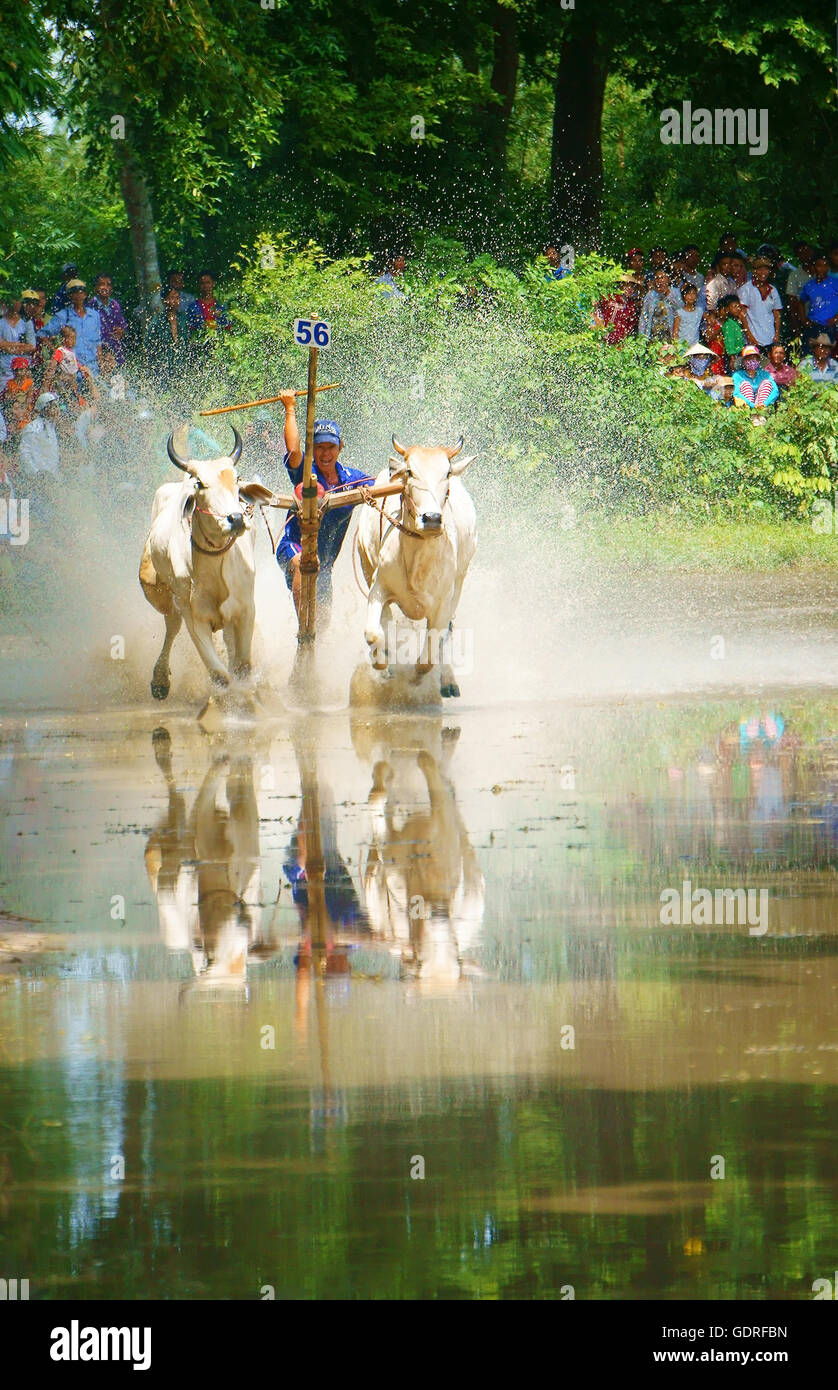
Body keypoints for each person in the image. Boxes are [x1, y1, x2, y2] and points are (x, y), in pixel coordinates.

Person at [274, 392, 374, 623]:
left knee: (325, 625)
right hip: (293, 549)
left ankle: (313, 643)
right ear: (312, 450)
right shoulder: (305, 471)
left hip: (325, 568)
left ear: (340, 448)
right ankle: (304, 632)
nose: (325, 453)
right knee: (303, 564)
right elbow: (293, 451)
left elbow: (380, 486)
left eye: (331, 447)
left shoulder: (352, 478)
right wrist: (290, 407)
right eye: (319, 447)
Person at [42, 278, 102, 377]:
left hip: (93, 368)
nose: (78, 295)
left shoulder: (94, 315)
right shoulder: (63, 315)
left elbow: (98, 342)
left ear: (85, 294)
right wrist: (57, 352)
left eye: (80, 291)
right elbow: (42, 334)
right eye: (74, 292)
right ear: (70, 296)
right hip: (71, 369)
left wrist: (101, 363)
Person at [142, 288, 194, 379]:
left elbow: (188, 341)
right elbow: (148, 345)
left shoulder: (184, 319)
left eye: (177, 298)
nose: (175, 301)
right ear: (164, 301)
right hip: (162, 367)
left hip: (181, 365)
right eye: (172, 298)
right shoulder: (157, 321)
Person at [737, 257, 782, 353]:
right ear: (754, 271)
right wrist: (749, 335)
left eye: (766, 269)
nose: (763, 272)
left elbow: (777, 315)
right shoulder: (746, 289)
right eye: (760, 269)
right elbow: (742, 315)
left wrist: (777, 334)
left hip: (770, 337)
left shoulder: (773, 290)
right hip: (753, 338)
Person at [797, 250, 838, 349]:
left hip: (831, 326)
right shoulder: (809, 285)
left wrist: (836, 317)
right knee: (810, 355)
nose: (822, 269)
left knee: (829, 356)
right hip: (814, 325)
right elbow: (801, 302)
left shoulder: (835, 283)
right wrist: (804, 320)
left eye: (825, 266)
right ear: (814, 267)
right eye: (819, 265)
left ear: (828, 267)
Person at [89, 273, 128, 367]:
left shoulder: (114, 305)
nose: (105, 287)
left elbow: (123, 325)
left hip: (116, 352)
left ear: (112, 288)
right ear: (95, 287)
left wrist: (121, 331)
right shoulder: (91, 306)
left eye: (108, 284)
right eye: (102, 284)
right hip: (98, 353)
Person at [19, 392, 61, 477]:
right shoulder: (33, 428)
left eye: (57, 406)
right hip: (38, 477)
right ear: (45, 409)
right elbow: (25, 453)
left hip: (53, 477)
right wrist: (36, 472)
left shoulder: (52, 427)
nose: (57, 410)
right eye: (53, 407)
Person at [593, 272, 641, 344]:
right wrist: (600, 325)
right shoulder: (609, 297)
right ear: (621, 286)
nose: (629, 289)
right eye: (627, 286)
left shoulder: (631, 306)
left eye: (632, 287)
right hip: (600, 336)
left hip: (617, 341)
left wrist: (622, 336)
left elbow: (630, 325)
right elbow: (597, 309)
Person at [0, 297, 36, 389]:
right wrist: (20, 345)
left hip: (22, 370)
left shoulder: (26, 322)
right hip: (4, 370)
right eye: (14, 300)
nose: (17, 303)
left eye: (19, 301)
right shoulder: (1, 322)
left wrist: (7, 346)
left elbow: (32, 347)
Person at [187, 272, 233, 339]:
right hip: (200, 342)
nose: (205, 286)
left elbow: (228, 326)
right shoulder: (193, 306)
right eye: (202, 283)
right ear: (198, 285)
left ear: (213, 284)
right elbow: (190, 328)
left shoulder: (221, 305)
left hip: (220, 341)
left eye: (208, 282)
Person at [1, 357, 36, 435]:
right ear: (14, 371)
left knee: (25, 423)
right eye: (17, 370)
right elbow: (8, 398)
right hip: (15, 407)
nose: (20, 372)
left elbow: (29, 398)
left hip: (25, 408)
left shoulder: (29, 383)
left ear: (26, 370)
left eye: (22, 370)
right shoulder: (10, 383)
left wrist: (24, 408)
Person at [638, 270, 676, 341]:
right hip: (652, 335)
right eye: (656, 278)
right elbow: (643, 317)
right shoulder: (650, 294)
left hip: (670, 335)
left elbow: (679, 312)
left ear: (668, 279)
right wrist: (641, 337)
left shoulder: (674, 293)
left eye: (662, 277)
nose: (659, 280)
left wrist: (667, 293)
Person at [718, 294, 747, 370]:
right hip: (733, 355)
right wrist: (732, 358)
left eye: (738, 306)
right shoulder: (728, 323)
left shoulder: (735, 321)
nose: (737, 309)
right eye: (734, 307)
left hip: (738, 353)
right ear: (727, 309)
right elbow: (729, 341)